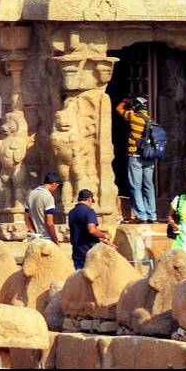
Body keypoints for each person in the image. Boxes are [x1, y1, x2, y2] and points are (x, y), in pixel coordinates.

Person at [115, 95, 156, 223]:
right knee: (149, 185)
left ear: (136, 107)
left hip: (136, 157)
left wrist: (124, 102)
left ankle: (141, 215)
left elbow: (118, 109)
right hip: (149, 158)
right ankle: (152, 215)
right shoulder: (151, 120)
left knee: (135, 186)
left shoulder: (133, 117)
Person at [67, 189, 111, 269]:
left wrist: (102, 240)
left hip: (77, 253)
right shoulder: (89, 211)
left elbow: (81, 231)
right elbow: (92, 230)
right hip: (89, 253)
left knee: (79, 279)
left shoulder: (71, 212)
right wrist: (105, 236)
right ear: (89, 199)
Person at [24, 173, 61, 244]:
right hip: (46, 237)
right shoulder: (48, 196)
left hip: (34, 237)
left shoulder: (31, 194)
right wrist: (56, 240)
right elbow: (49, 222)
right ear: (54, 184)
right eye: (57, 186)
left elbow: (26, 218)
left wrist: (33, 232)